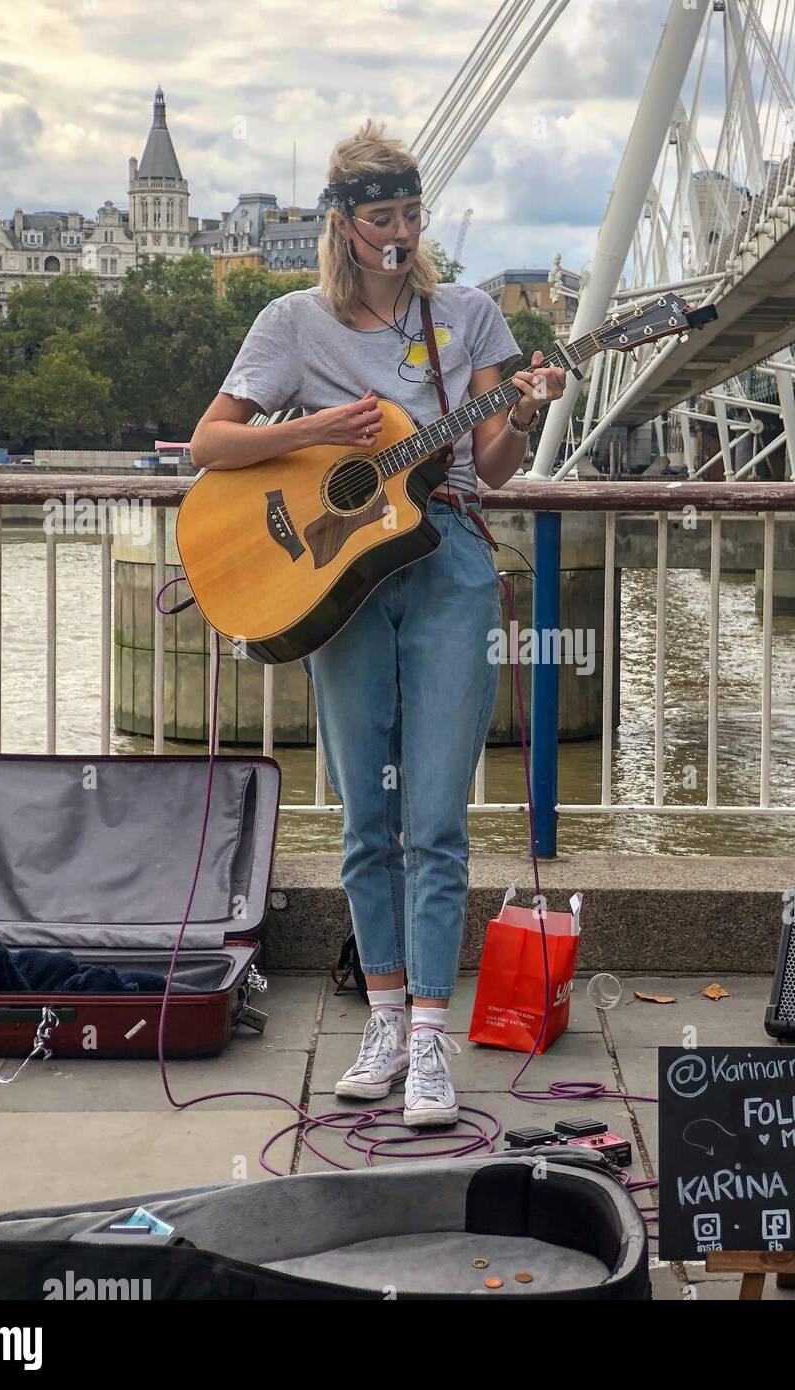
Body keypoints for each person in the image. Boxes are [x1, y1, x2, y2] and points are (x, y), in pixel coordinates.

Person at [189, 119, 565, 1128]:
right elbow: (210, 442)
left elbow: (490, 466)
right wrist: (316, 428)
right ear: (343, 225)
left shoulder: (471, 315)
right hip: (340, 582)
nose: (399, 235)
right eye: (381, 218)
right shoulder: (291, 326)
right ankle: (385, 1018)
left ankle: (435, 1042)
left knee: (435, 821)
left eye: (411, 215)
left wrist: (525, 408)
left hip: (444, 567)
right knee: (365, 822)